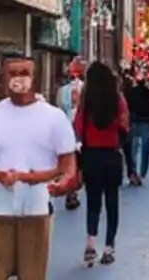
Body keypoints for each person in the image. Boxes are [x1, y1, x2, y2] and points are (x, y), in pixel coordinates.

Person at [0, 55, 78, 280]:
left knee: (33, 275)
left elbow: (68, 166)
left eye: (24, 73)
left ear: (35, 78)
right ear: (3, 79)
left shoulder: (54, 118)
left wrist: (53, 182)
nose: (18, 79)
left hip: (37, 209)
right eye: (12, 73)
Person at [75, 62, 129, 266]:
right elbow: (125, 126)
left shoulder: (87, 102)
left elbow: (78, 127)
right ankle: (109, 247)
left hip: (91, 155)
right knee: (112, 202)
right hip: (112, 155)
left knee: (93, 202)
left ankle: (91, 244)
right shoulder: (118, 100)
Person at [56, 58, 85, 210]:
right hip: (79, 131)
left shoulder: (61, 91)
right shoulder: (86, 89)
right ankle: (73, 191)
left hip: (65, 129)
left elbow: (59, 108)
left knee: (68, 163)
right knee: (78, 164)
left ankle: (70, 191)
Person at [123, 70, 149, 184]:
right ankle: (143, 171)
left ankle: (133, 170)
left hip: (134, 121)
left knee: (133, 148)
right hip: (146, 122)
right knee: (145, 147)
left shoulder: (129, 93)